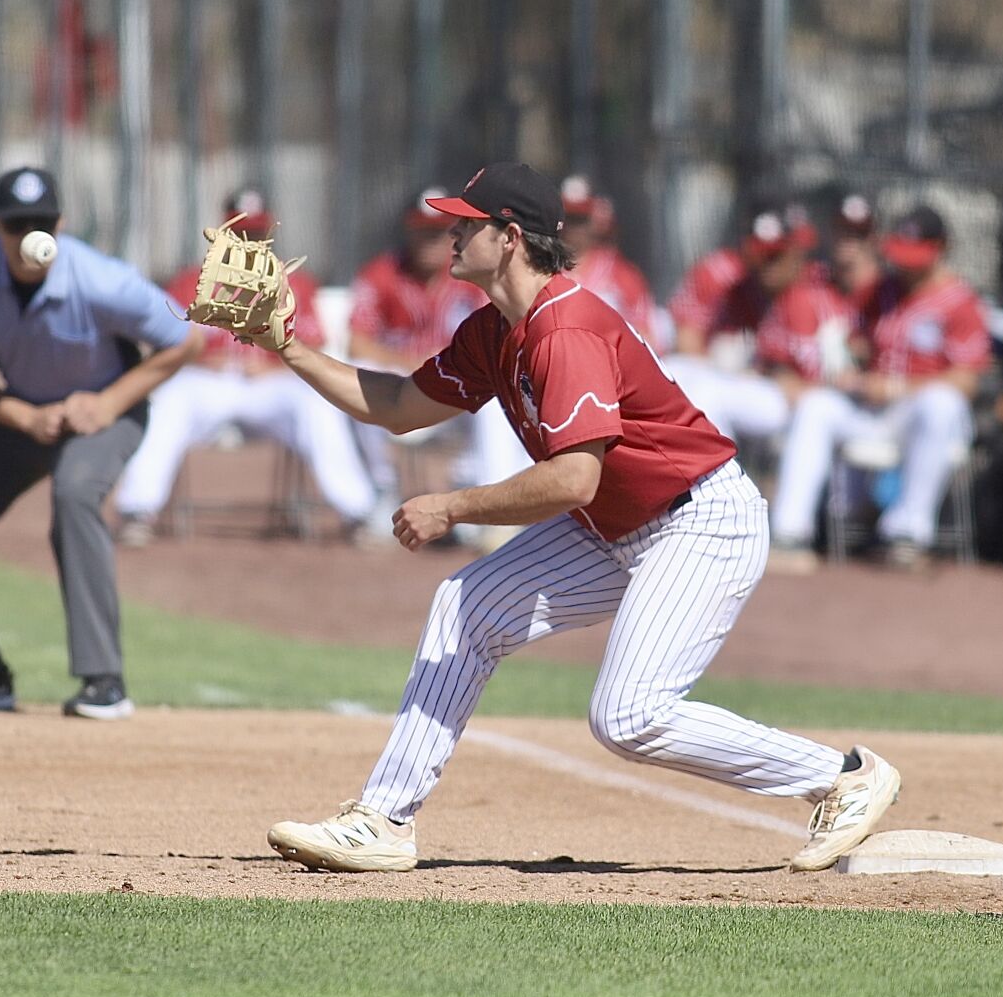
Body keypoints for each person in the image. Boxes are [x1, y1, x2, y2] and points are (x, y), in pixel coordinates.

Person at [260, 162, 901, 873]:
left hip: (699, 521)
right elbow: (399, 406)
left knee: (629, 716)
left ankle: (841, 776)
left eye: (466, 223)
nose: (450, 234)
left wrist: (453, 505)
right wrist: (287, 346)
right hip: (612, 525)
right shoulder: (495, 329)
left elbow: (573, 478)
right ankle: (383, 819)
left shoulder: (565, 329)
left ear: (509, 238)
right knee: (467, 606)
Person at [0, 166, 202, 718]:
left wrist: (108, 403)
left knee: (75, 492)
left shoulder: (102, 279)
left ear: (59, 224)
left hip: (105, 415)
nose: (27, 235)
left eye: (39, 222)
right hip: (22, 415)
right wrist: (21, 415)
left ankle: (104, 681)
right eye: (16, 224)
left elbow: (184, 340)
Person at [112, 189, 378, 545]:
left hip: (272, 384)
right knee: (168, 402)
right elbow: (161, 345)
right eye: (240, 232)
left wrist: (274, 368)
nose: (248, 240)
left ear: (268, 232)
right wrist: (201, 358)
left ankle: (357, 512)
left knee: (317, 404)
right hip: (206, 382)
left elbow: (315, 349)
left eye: (255, 232)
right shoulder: (191, 280)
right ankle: (137, 510)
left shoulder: (295, 282)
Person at [769, 205, 991, 572]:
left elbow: (967, 381)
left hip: (919, 417)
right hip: (870, 409)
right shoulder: (882, 291)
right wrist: (849, 365)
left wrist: (896, 388)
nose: (906, 266)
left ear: (942, 248)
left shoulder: (960, 301)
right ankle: (790, 532)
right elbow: (857, 342)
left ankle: (908, 532)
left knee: (942, 403)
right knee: (816, 405)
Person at [347, 186, 530, 550]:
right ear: (408, 230)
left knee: (498, 392)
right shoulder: (383, 273)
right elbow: (357, 343)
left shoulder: (472, 274)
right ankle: (380, 493)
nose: (430, 241)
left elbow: (502, 335)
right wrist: (409, 361)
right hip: (404, 388)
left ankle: (492, 510)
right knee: (359, 376)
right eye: (422, 230)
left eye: (438, 232)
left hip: (459, 393)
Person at [661, 205, 810, 444]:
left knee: (708, 395)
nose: (767, 264)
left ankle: (722, 468)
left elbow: (806, 381)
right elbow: (688, 340)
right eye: (762, 255)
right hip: (753, 384)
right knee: (672, 371)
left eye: (775, 256)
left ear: (794, 253)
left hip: (791, 399)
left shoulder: (808, 294)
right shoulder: (744, 288)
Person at [559, 175, 661, 345]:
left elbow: (646, 336)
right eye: (568, 219)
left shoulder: (621, 274)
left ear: (596, 220)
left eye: (580, 220)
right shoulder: (544, 267)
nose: (573, 228)